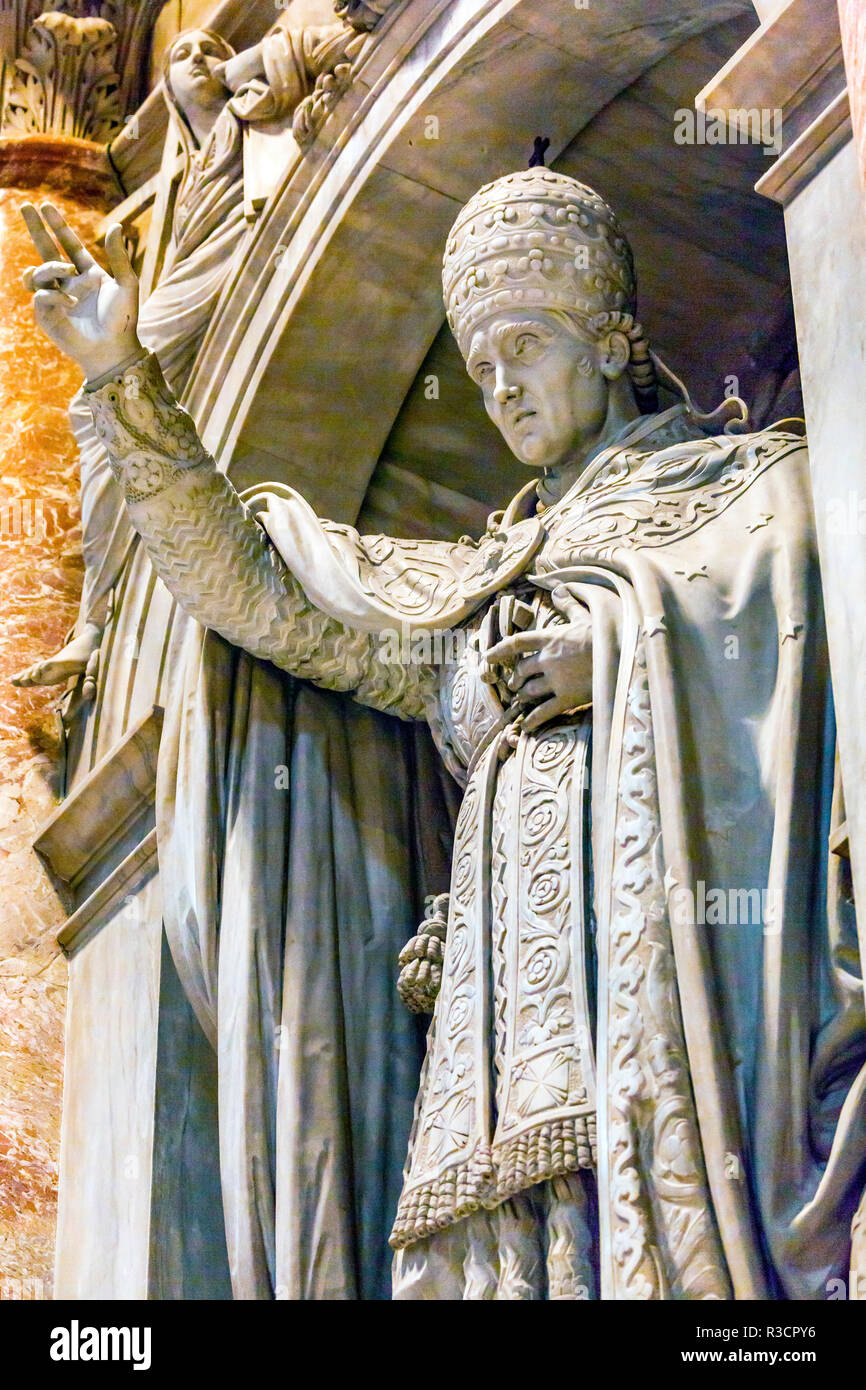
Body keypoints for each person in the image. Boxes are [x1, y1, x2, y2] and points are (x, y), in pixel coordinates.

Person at [19, 167, 866, 1299]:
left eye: (523, 344)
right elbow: (259, 595)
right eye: (477, 366)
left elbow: (810, 653)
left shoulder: (747, 491)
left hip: (673, 1022)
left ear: (612, 343)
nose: (499, 388)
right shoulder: (470, 585)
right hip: (493, 1054)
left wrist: (610, 654)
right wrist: (125, 375)